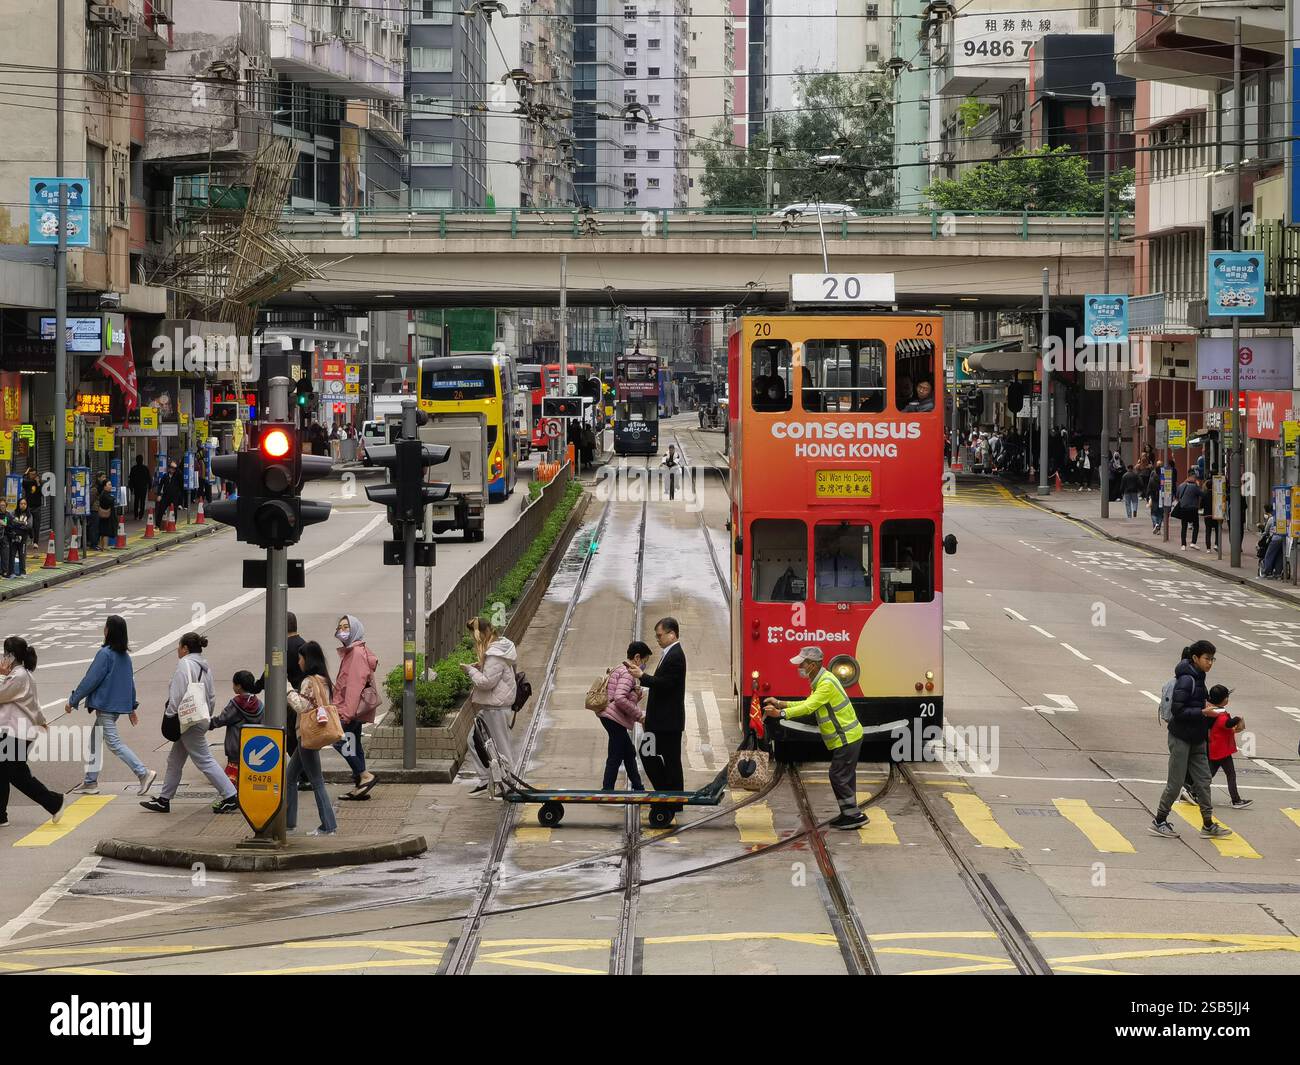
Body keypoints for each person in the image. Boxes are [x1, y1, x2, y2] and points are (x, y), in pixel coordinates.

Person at [763, 646, 867, 830]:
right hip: (848, 736)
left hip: (846, 737)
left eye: (802, 664)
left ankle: (854, 815)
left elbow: (808, 708)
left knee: (838, 775)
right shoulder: (821, 681)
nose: (799, 667)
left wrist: (780, 713)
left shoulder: (825, 684)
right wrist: (780, 702)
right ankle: (850, 813)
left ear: (812, 665)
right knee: (843, 775)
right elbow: (808, 703)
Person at [140, 633, 238, 814]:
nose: (177, 649)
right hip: (198, 717)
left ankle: (231, 795)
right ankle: (164, 799)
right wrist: (206, 716)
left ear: (185, 648)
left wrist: (170, 715)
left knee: (204, 760)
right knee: (175, 761)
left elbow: (177, 694)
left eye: (179, 646)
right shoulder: (205, 667)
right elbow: (211, 696)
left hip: (186, 720)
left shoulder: (184, 664)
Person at [1149, 641, 1233, 840]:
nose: (1210, 662)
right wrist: (1203, 711)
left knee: (1203, 781)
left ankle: (1208, 824)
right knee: (1176, 782)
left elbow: (1195, 703)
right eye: (1207, 658)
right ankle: (1159, 820)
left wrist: (1208, 710)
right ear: (1195, 658)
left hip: (1197, 737)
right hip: (1181, 737)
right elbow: (1178, 710)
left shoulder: (1200, 677)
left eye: (1212, 659)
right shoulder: (1186, 679)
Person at [65, 615, 155, 796]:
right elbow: (130, 682)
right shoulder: (125, 656)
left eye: (105, 627)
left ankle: (143, 773)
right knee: (95, 741)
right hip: (114, 708)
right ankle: (90, 781)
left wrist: (73, 701)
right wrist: (132, 707)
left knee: (114, 744)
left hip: (106, 707)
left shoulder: (105, 654)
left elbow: (90, 680)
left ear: (108, 631)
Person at [0, 636, 64, 828]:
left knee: (16, 775)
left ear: (10, 656)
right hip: (17, 733)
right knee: (5, 772)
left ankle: (54, 802)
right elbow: (34, 706)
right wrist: (41, 721)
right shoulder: (25, 675)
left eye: (4, 653)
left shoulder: (17, 677)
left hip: (14, 733)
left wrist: (2, 675)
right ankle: (1, 816)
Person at [628, 617, 687, 817]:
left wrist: (641, 676)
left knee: (653, 754)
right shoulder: (669, 654)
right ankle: (670, 796)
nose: (657, 639)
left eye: (660, 635)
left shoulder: (676, 655)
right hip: (663, 722)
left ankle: (669, 797)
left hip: (667, 723)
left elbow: (665, 683)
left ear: (672, 634)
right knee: (665, 758)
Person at [285, 641, 339, 836]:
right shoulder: (324, 680)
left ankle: (328, 825)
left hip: (307, 734)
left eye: (300, 658)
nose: (299, 662)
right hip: (312, 735)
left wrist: (288, 690)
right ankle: (288, 823)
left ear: (308, 659)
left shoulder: (309, 681)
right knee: (290, 777)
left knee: (316, 781)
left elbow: (302, 706)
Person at [253, 611, 310, 791]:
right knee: (301, 738)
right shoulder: (304, 644)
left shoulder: (280, 647)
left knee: (290, 740)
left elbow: (270, 671)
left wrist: (256, 686)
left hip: (289, 700)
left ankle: (301, 775)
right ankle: (304, 775)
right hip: (305, 698)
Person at [461, 617, 518, 796]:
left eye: (473, 636)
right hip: (491, 706)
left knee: (501, 746)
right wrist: (479, 667)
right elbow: (492, 675)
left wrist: (471, 671)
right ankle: (486, 779)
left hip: (497, 708)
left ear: (481, 634)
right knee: (473, 740)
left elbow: (486, 682)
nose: (472, 640)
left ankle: (509, 784)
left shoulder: (494, 654)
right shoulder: (498, 649)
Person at [331, 613, 379, 800]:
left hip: (348, 710)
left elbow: (353, 687)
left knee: (339, 740)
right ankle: (360, 785)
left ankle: (364, 775)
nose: (342, 631)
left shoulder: (356, 654)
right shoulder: (352, 651)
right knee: (354, 743)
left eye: (346, 627)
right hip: (350, 709)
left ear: (356, 630)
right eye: (340, 627)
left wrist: (347, 714)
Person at [599, 642, 650, 791]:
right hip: (614, 718)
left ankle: (638, 786)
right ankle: (607, 790)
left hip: (610, 717)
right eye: (645, 662)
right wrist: (639, 716)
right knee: (615, 755)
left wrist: (636, 694)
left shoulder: (620, 668)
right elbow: (620, 698)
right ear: (637, 658)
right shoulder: (628, 674)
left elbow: (621, 696)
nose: (644, 667)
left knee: (628, 753)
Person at [208, 670, 263, 788]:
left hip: (236, 746)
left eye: (234, 684)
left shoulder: (236, 703)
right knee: (247, 774)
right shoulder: (258, 704)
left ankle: (232, 798)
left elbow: (223, 719)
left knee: (231, 778)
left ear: (239, 686)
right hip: (252, 746)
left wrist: (208, 724)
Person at [1205, 684, 1251, 810]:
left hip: (1221, 749)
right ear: (1224, 699)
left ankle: (1193, 792)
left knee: (1212, 774)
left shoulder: (1214, 710)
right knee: (1222, 774)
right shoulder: (1217, 713)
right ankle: (1235, 800)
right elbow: (1226, 724)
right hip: (1220, 750)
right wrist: (1238, 718)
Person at [1173, 473, 1202, 550]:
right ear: (1193, 478)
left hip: (1183, 508)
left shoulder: (1181, 485)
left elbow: (1177, 496)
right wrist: (1198, 486)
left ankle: (1183, 545)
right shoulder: (1195, 487)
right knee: (1196, 525)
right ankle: (1193, 542)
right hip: (1193, 509)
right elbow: (1202, 494)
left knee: (1184, 526)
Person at [154, 460, 184, 527]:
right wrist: (159, 495)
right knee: (161, 510)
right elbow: (160, 485)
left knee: (174, 511)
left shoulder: (177, 476)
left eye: (174, 468)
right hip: (165, 496)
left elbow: (181, 484)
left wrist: (176, 467)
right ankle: (157, 525)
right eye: (171, 468)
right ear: (169, 468)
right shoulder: (165, 476)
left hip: (174, 497)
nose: (172, 469)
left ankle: (173, 524)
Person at [7, 497, 32, 576]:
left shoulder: (29, 515)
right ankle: (11, 572)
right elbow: (11, 523)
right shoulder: (13, 513)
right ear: (18, 504)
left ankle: (23, 572)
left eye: (25, 504)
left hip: (23, 539)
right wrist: (22, 523)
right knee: (12, 555)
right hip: (14, 538)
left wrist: (18, 524)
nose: (23, 505)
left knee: (22, 555)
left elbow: (29, 526)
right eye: (21, 504)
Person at [95, 476, 117, 551]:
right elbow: (110, 501)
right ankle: (104, 546)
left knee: (103, 531)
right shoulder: (105, 494)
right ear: (104, 486)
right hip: (106, 515)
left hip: (105, 515)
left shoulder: (105, 494)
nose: (111, 486)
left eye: (111, 484)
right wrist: (113, 498)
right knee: (105, 531)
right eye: (109, 485)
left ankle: (102, 545)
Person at [128, 455, 150, 522]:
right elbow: (149, 478)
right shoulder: (145, 468)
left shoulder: (133, 468)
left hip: (136, 487)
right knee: (142, 501)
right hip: (143, 488)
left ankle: (136, 515)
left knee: (136, 501)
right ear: (142, 460)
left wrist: (131, 488)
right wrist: (150, 487)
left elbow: (131, 479)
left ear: (136, 460)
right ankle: (141, 515)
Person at [1201, 477, 1220, 553]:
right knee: (1217, 530)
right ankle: (1216, 544)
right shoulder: (1216, 494)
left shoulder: (1204, 494)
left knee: (1208, 531)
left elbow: (1201, 505)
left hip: (1207, 515)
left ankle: (1208, 548)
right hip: (1215, 514)